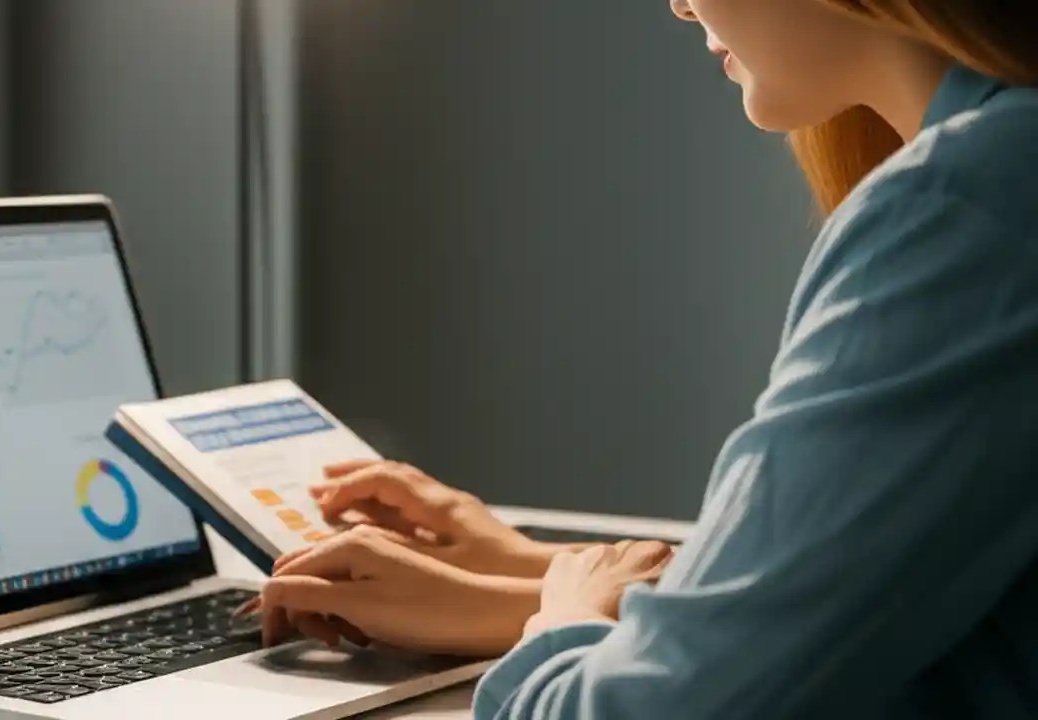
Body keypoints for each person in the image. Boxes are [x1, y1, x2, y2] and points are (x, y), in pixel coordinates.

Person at [246, 0, 1038, 716]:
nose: (680, 4)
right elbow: (906, 595)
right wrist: (541, 579)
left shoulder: (971, 202)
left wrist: (559, 625)